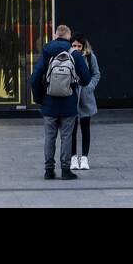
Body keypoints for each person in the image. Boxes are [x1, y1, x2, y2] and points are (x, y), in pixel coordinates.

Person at [29, 23, 91, 180]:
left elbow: (35, 78)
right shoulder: (74, 54)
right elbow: (86, 79)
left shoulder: (46, 52)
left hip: (49, 103)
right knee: (66, 137)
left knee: (49, 137)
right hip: (69, 104)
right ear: (69, 37)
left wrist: (39, 98)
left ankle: (49, 170)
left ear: (56, 35)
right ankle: (65, 170)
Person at [68, 33, 99, 172]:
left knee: (85, 127)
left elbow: (96, 74)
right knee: (72, 129)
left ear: (83, 46)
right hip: (72, 94)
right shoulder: (67, 56)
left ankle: (85, 157)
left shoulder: (90, 56)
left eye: (79, 46)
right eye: (74, 45)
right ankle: (73, 157)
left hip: (86, 96)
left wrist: (89, 87)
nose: (76, 48)